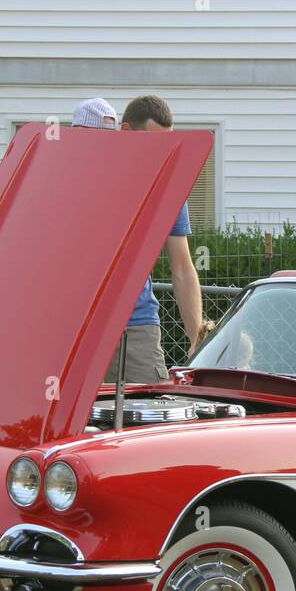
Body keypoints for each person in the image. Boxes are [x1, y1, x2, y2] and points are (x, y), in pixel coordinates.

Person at [105, 94, 207, 385]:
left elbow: (184, 269)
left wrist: (197, 339)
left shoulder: (169, 186)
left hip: (138, 326)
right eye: (154, 142)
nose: (162, 152)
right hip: (80, 330)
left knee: (151, 413)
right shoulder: (91, 179)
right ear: (126, 132)